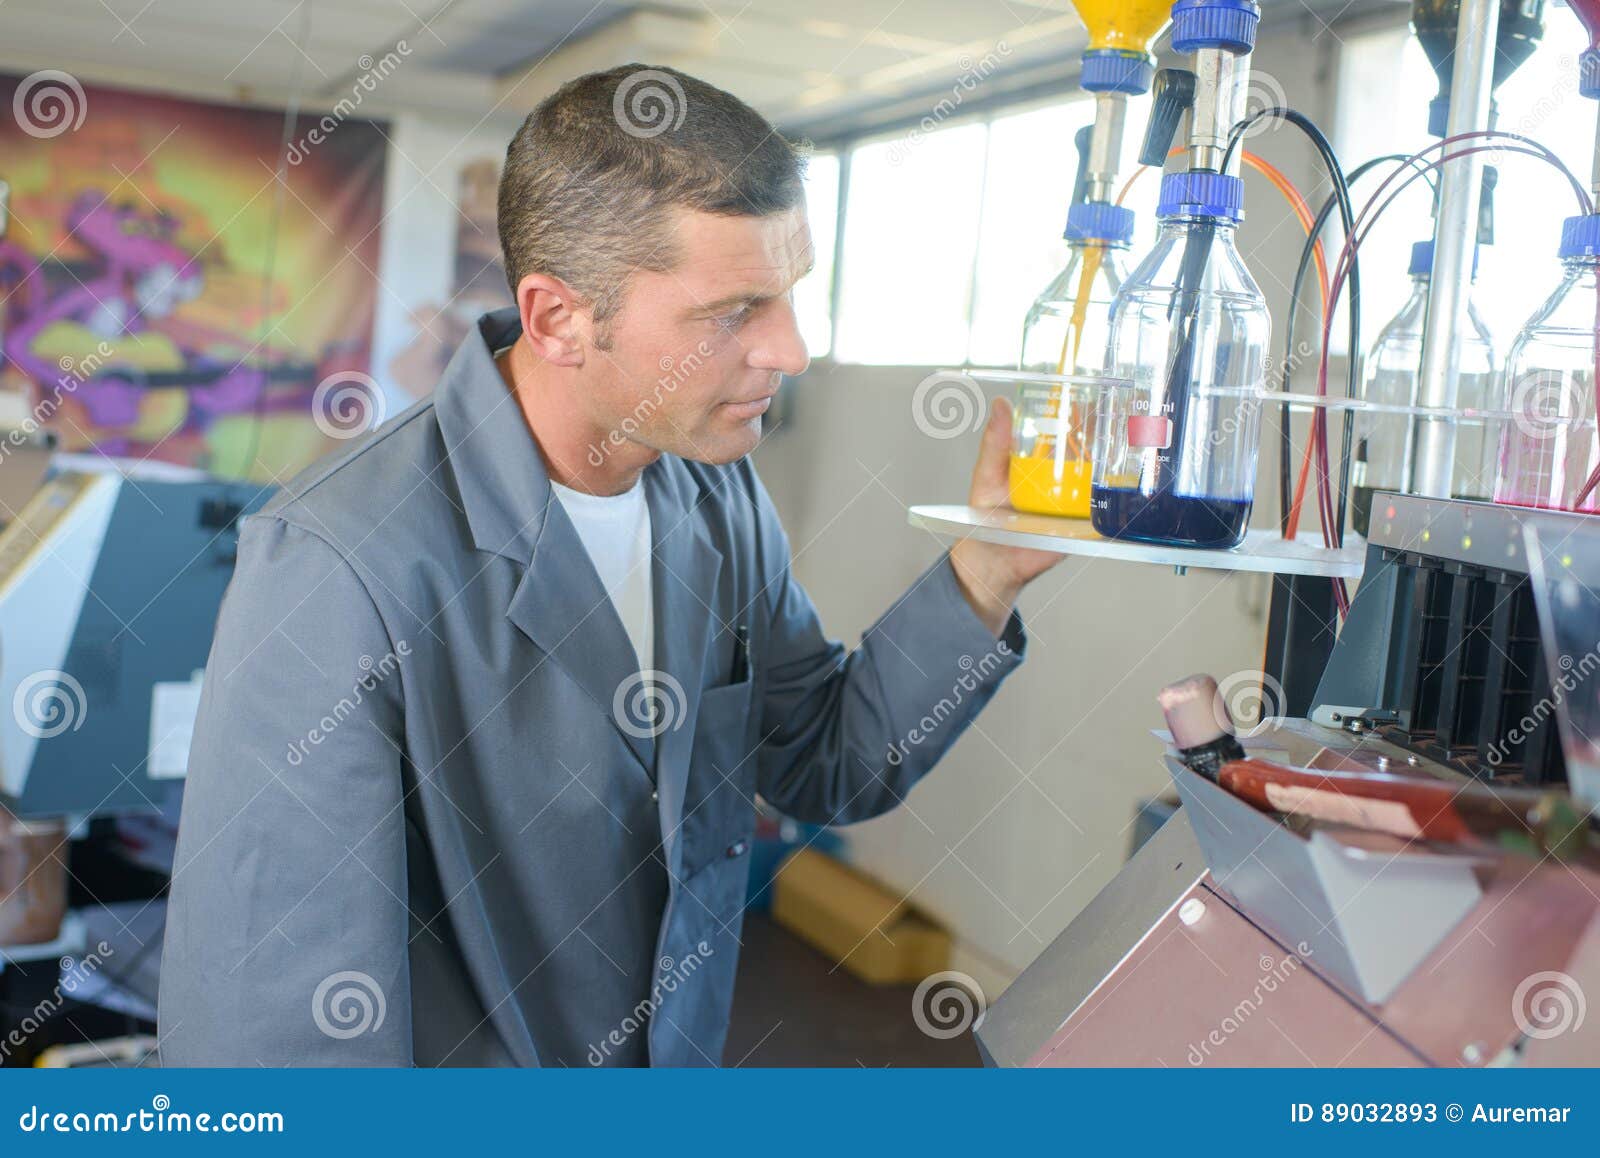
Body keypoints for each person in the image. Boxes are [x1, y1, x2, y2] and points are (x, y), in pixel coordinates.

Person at [159, 64, 1059, 1066]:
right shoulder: (341, 559)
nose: (794, 350)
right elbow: (273, 1031)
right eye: (735, 309)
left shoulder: (716, 499)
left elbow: (824, 762)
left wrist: (983, 573)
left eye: (792, 294)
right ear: (556, 319)